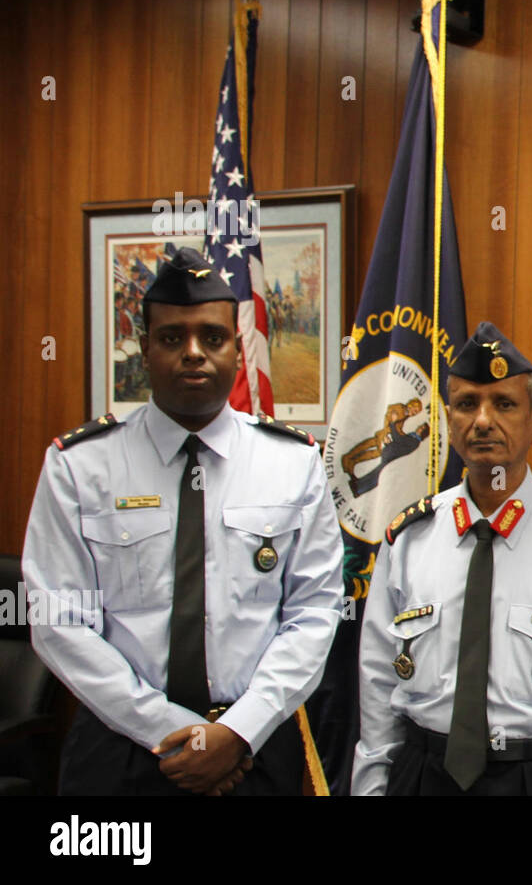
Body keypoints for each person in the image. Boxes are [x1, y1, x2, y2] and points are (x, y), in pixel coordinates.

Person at [21, 247, 344, 795]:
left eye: (212, 338)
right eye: (172, 338)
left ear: (239, 351)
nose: (193, 354)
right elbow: (59, 621)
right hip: (121, 750)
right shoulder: (80, 466)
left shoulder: (293, 463)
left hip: (254, 750)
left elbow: (314, 613)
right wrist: (174, 732)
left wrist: (235, 734)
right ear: (144, 349)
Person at [351, 322, 532, 795]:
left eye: (503, 404)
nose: (482, 420)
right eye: (466, 404)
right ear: (448, 420)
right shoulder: (409, 539)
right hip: (423, 775)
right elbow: (378, 687)